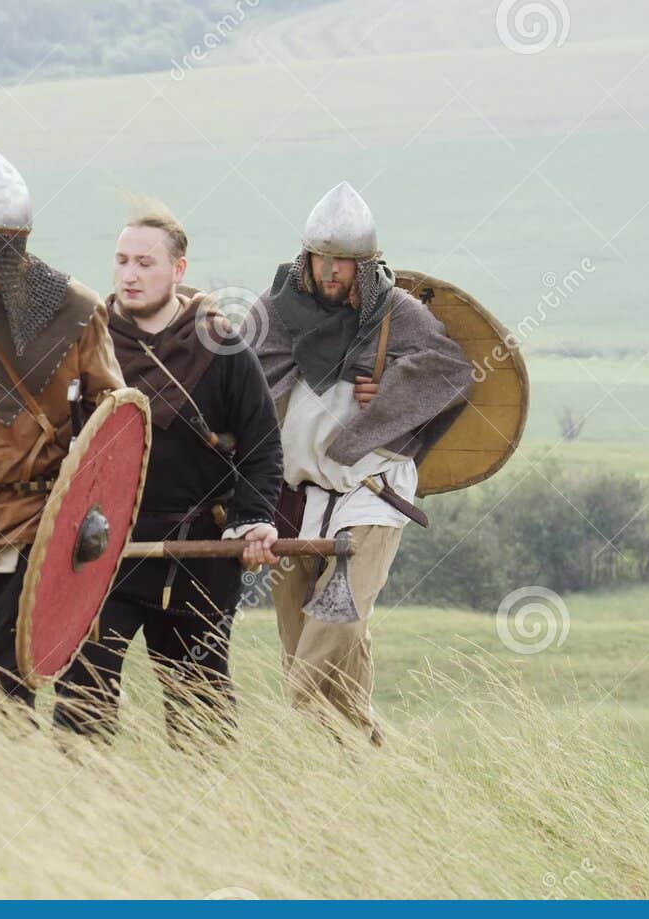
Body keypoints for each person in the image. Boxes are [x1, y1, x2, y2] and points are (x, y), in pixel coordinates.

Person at [245, 181, 473, 746]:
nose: (331, 272)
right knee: (302, 635)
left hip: (372, 490)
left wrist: (392, 387)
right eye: (322, 259)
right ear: (306, 258)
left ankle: (292, 721)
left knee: (339, 613)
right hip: (295, 496)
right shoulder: (273, 313)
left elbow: (451, 370)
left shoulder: (397, 312)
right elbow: (238, 389)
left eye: (344, 262)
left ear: (364, 265)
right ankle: (361, 756)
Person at [53, 206, 281, 743]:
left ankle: (200, 815)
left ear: (178, 270)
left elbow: (263, 445)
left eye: (145, 263)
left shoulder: (221, 346)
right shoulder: (92, 344)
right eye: (122, 261)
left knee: (198, 702)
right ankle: (74, 809)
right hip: (105, 546)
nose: (129, 275)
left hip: (198, 551)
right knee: (82, 687)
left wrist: (251, 522)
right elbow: (59, 442)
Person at [0, 152, 123, 710]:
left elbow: (110, 419)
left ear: (11, 238)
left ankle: (6, 791)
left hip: (35, 520)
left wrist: (91, 510)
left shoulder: (75, 309)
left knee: (8, 682)